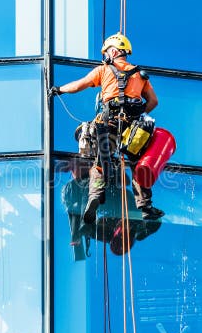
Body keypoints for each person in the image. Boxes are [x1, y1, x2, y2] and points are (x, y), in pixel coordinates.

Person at [50, 33, 165, 224]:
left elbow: (80, 85)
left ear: (113, 51)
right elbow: (154, 101)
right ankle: (145, 206)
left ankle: (95, 196)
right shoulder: (139, 74)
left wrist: (59, 89)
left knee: (100, 162)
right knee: (138, 164)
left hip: (108, 124)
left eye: (106, 53)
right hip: (133, 128)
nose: (105, 56)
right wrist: (138, 113)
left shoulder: (103, 70)